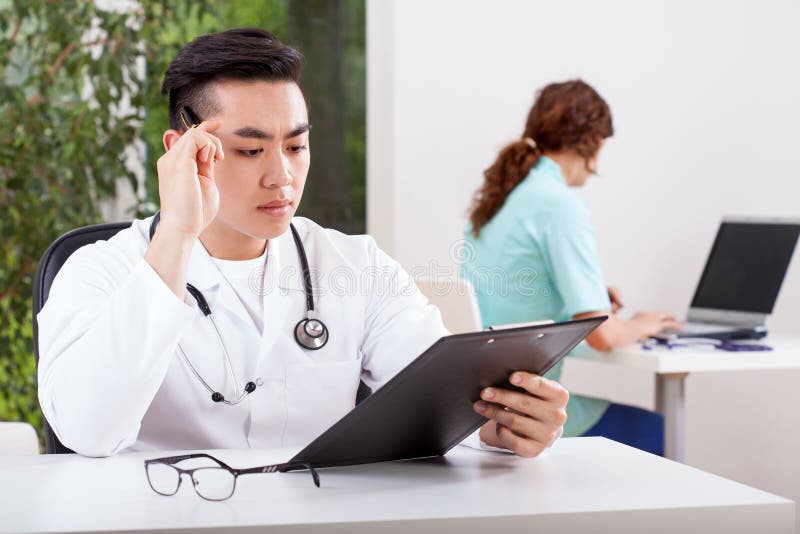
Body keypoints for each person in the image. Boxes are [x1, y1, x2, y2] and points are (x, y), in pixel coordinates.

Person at [36, 28, 568, 458]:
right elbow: (88, 431)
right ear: (183, 150)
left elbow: (444, 395)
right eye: (249, 151)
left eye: (296, 145)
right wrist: (177, 231)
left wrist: (500, 428)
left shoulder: (356, 266)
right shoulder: (98, 272)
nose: (282, 177)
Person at [462, 80, 680, 454]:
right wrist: (644, 325)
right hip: (522, 412)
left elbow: (512, 297)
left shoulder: (496, 203)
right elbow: (604, 337)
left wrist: (586, 299)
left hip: (476, 405)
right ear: (593, 146)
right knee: (655, 429)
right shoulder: (560, 204)